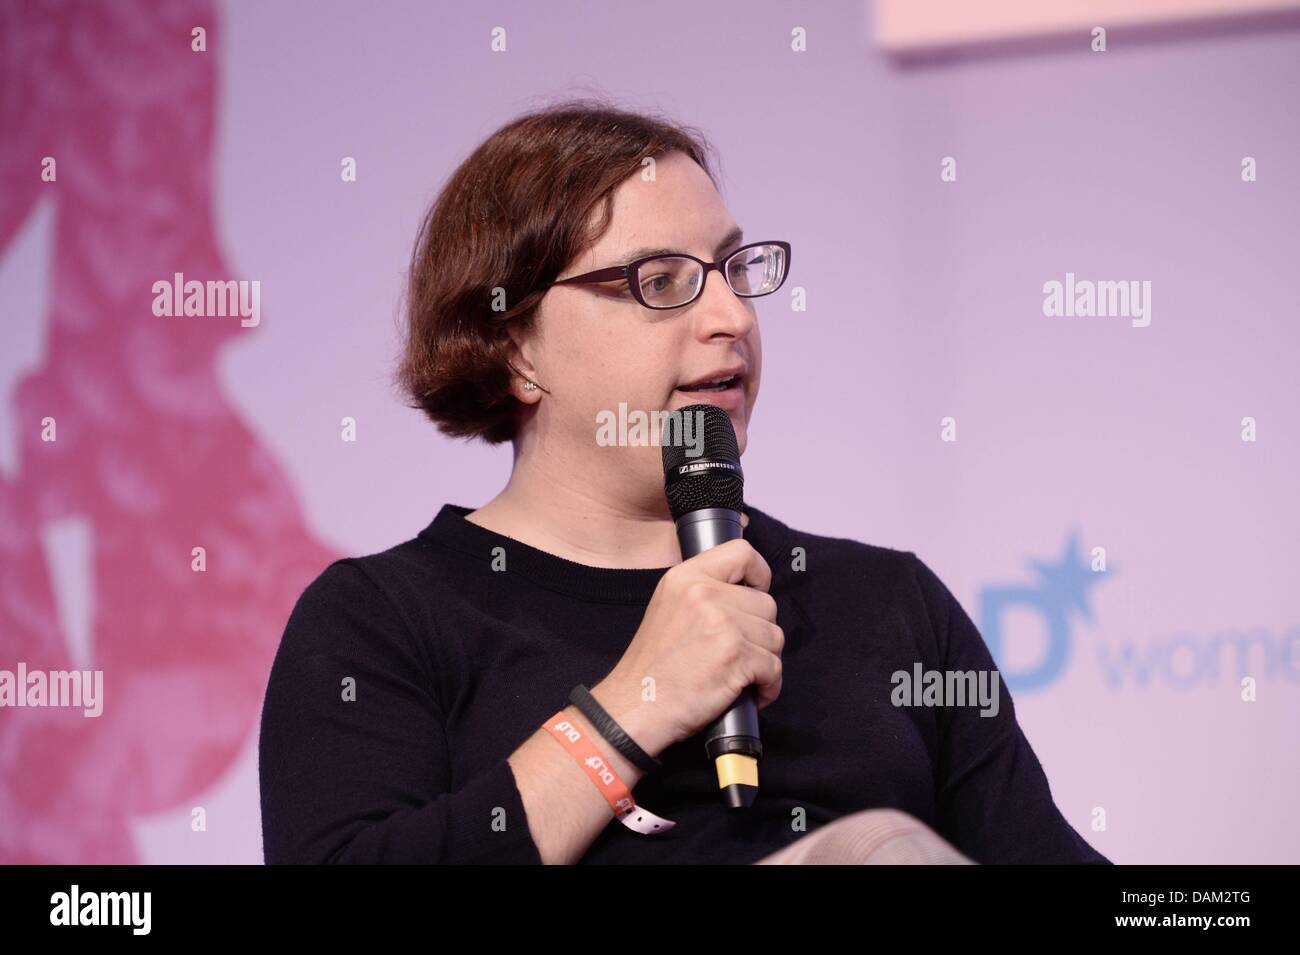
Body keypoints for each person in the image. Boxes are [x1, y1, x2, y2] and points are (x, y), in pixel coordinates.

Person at [257, 98, 1110, 865]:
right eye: (660, 282)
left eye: (735, 272)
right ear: (516, 346)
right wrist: (631, 706)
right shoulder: (383, 621)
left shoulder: (886, 603)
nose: (731, 318)